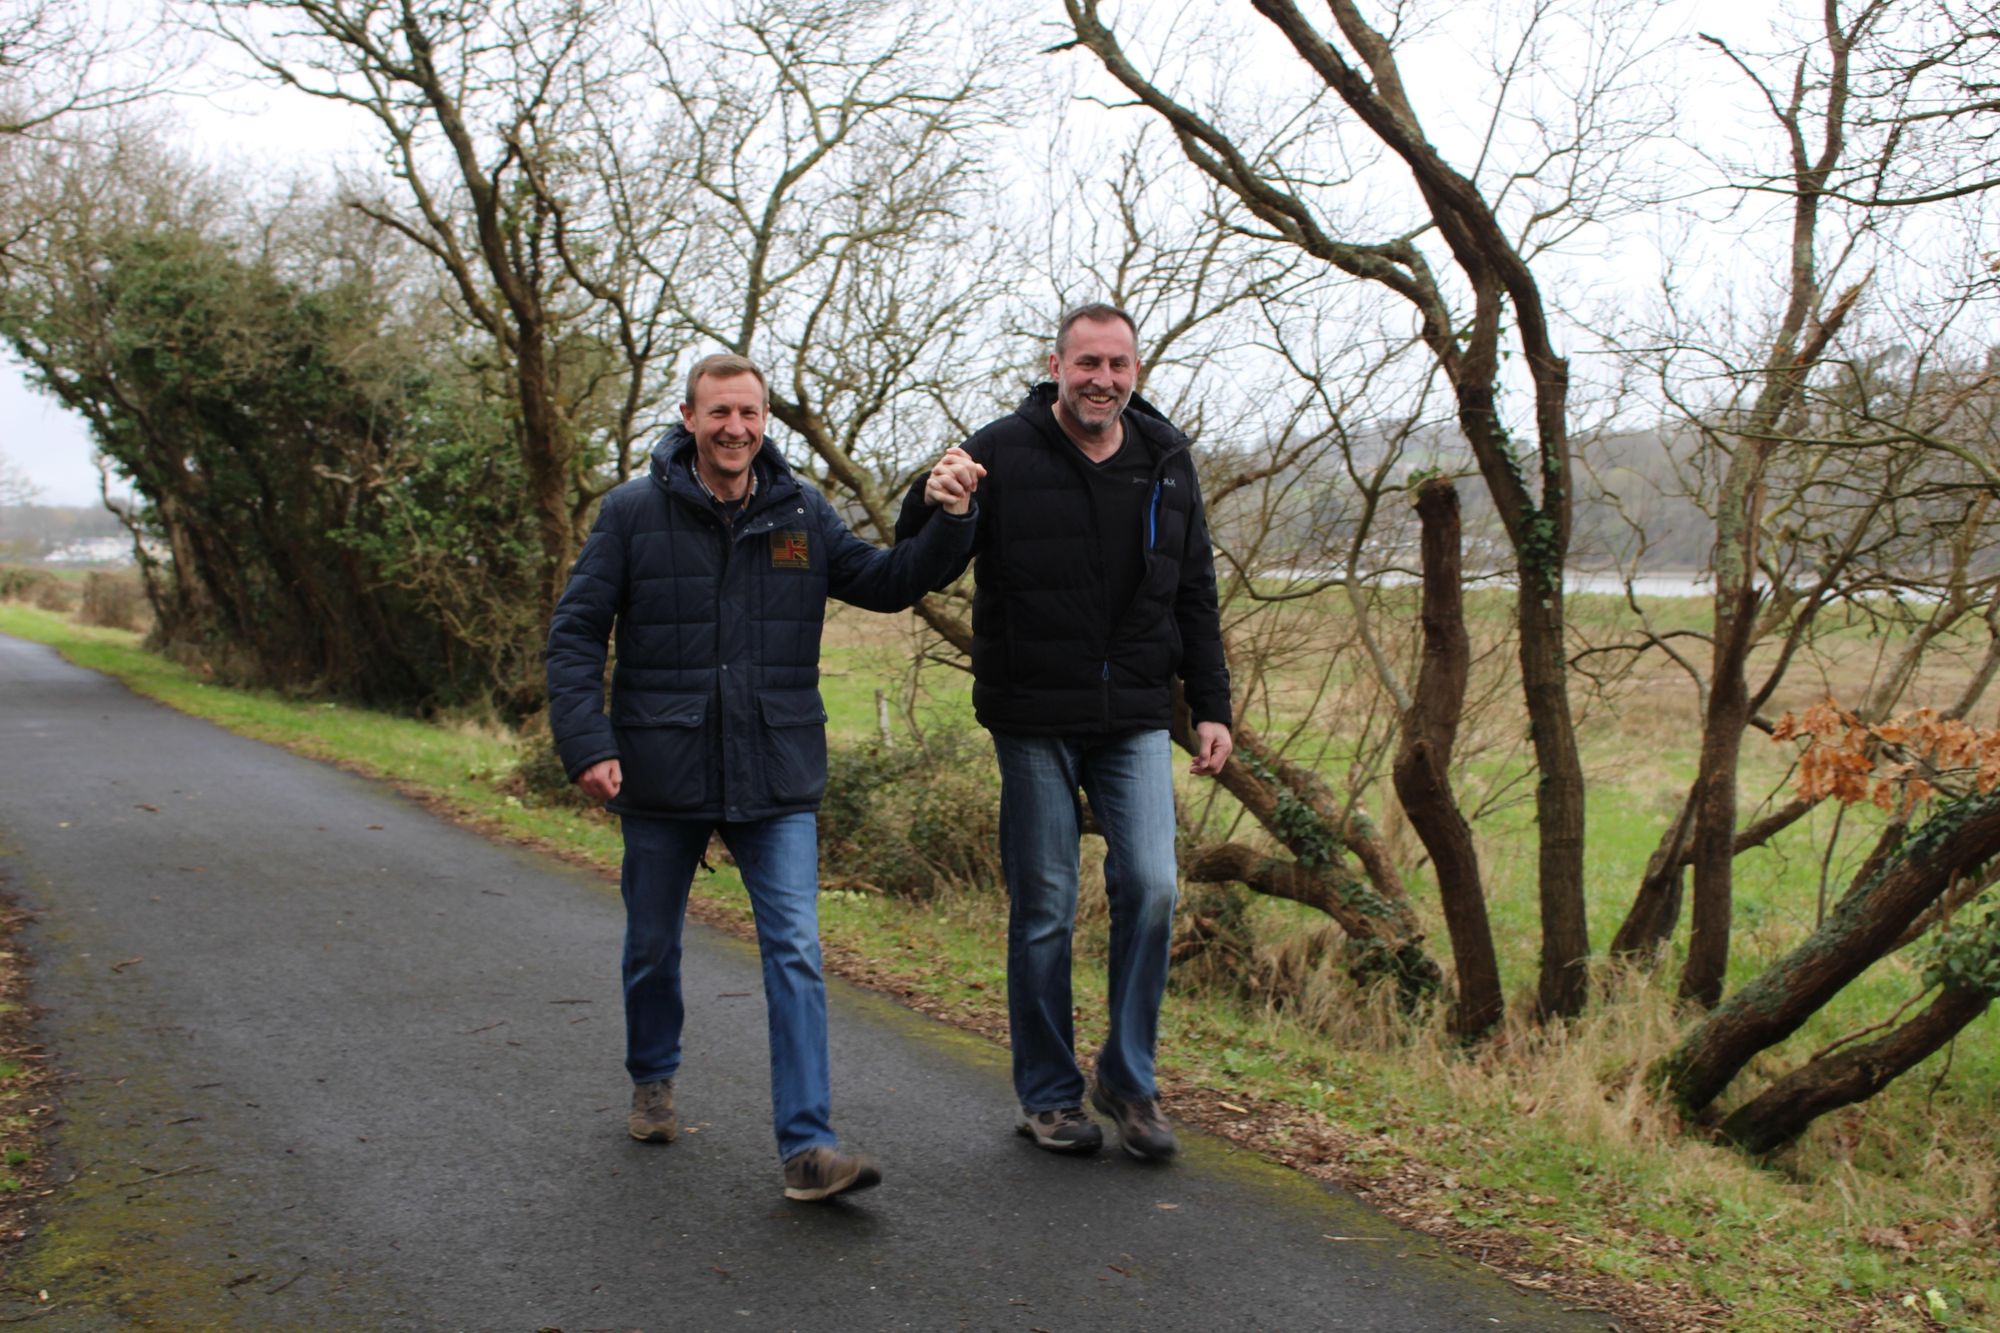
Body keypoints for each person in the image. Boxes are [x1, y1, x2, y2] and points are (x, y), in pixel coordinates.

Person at [546, 352, 983, 1202]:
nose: (735, 428)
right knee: (651, 946)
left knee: (796, 950)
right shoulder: (632, 514)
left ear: (766, 420)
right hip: (661, 768)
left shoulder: (801, 512)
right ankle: (653, 1074)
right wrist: (588, 742)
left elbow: (890, 582)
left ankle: (808, 1147)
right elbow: (574, 634)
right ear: (687, 418)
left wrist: (951, 518)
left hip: (774, 768)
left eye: (748, 413)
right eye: (719, 414)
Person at [895, 304, 1232, 1161]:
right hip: (1033, 714)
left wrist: (1212, 706)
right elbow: (918, 544)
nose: (1102, 380)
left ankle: (1127, 1075)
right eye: (1087, 363)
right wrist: (935, 499)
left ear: (1137, 372)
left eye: (1118, 365)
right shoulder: (1001, 448)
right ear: (1057, 364)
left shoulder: (1167, 462)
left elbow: (1195, 592)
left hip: (1133, 721)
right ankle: (1047, 1094)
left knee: (1153, 886)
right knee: (1045, 907)